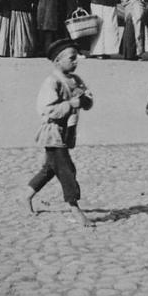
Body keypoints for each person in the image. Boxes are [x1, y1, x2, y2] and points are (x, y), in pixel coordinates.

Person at [25, 38, 95, 227]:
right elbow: (47, 110)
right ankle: (75, 209)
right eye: (71, 58)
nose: (76, 61)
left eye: (76, 58)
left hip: (66, 132)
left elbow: (88, 99)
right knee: (66, 170)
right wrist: (70, 104)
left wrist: (84, 100)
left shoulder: (76, 80)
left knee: (50, 169)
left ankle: (26, 196)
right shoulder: (52, 82)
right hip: (52, 132)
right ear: (57, 60)